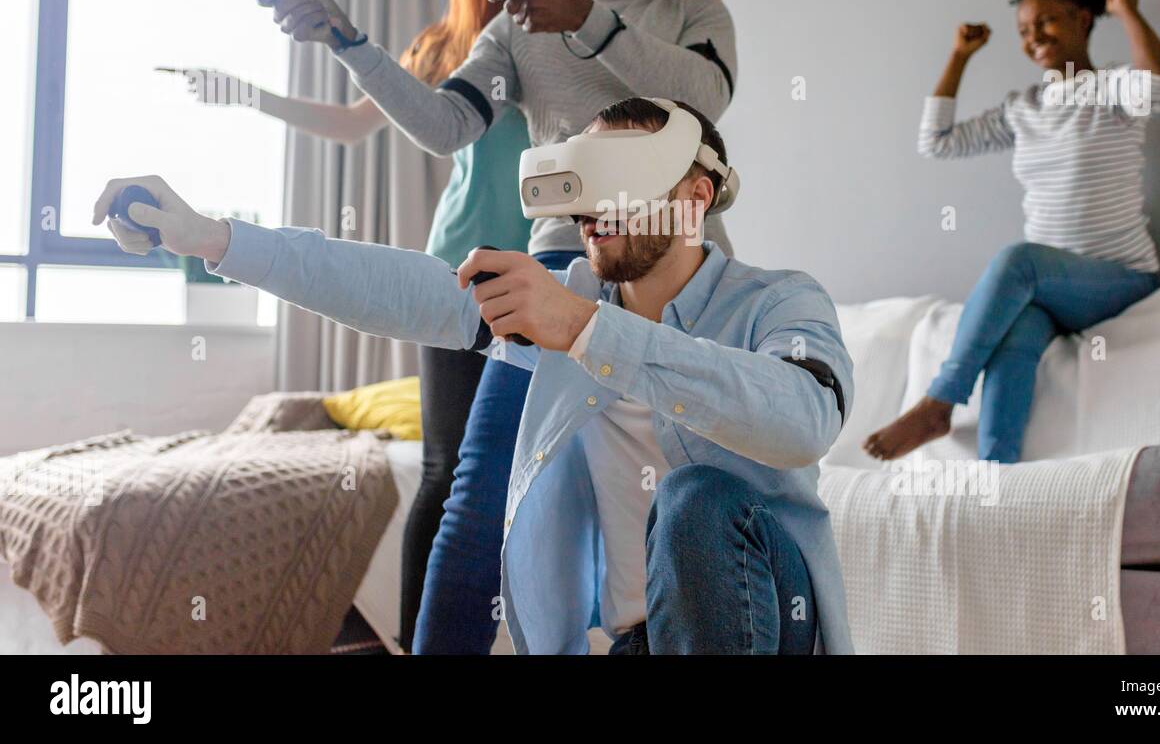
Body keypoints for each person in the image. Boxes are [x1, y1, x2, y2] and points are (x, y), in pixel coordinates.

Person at [93, 97, 853, 654]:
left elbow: (804, 418)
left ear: (694, 198)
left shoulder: (779, 300)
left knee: (696, 499)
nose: (590, 208)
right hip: (636, 639)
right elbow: (387, 283)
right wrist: (208, 237)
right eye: (579, 180)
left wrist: (590, 331)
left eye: (617, 177)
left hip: (771, 621)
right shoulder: (560, 299)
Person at [170, 0, 719, 652]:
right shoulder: (509, 29)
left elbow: (706, 98)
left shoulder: (688, 11)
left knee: (662, 489)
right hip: (541, 262)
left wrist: (588, 20)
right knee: (475, 483)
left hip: (664, 265)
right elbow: (442, 123)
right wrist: (348, 41)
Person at [865, 0, 1160, 465]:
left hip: (1119, 277)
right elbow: (937, 140)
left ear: (1082, 19)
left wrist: (1127, 12)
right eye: (1024, 30)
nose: (1033, 38)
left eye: (1046, 23)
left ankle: (939, 402)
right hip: (1050, 291)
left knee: (1019, 260)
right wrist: (959, 57)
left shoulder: (1113, 91)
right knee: (1016, 337)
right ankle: (997, 476)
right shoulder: (1024, 108)